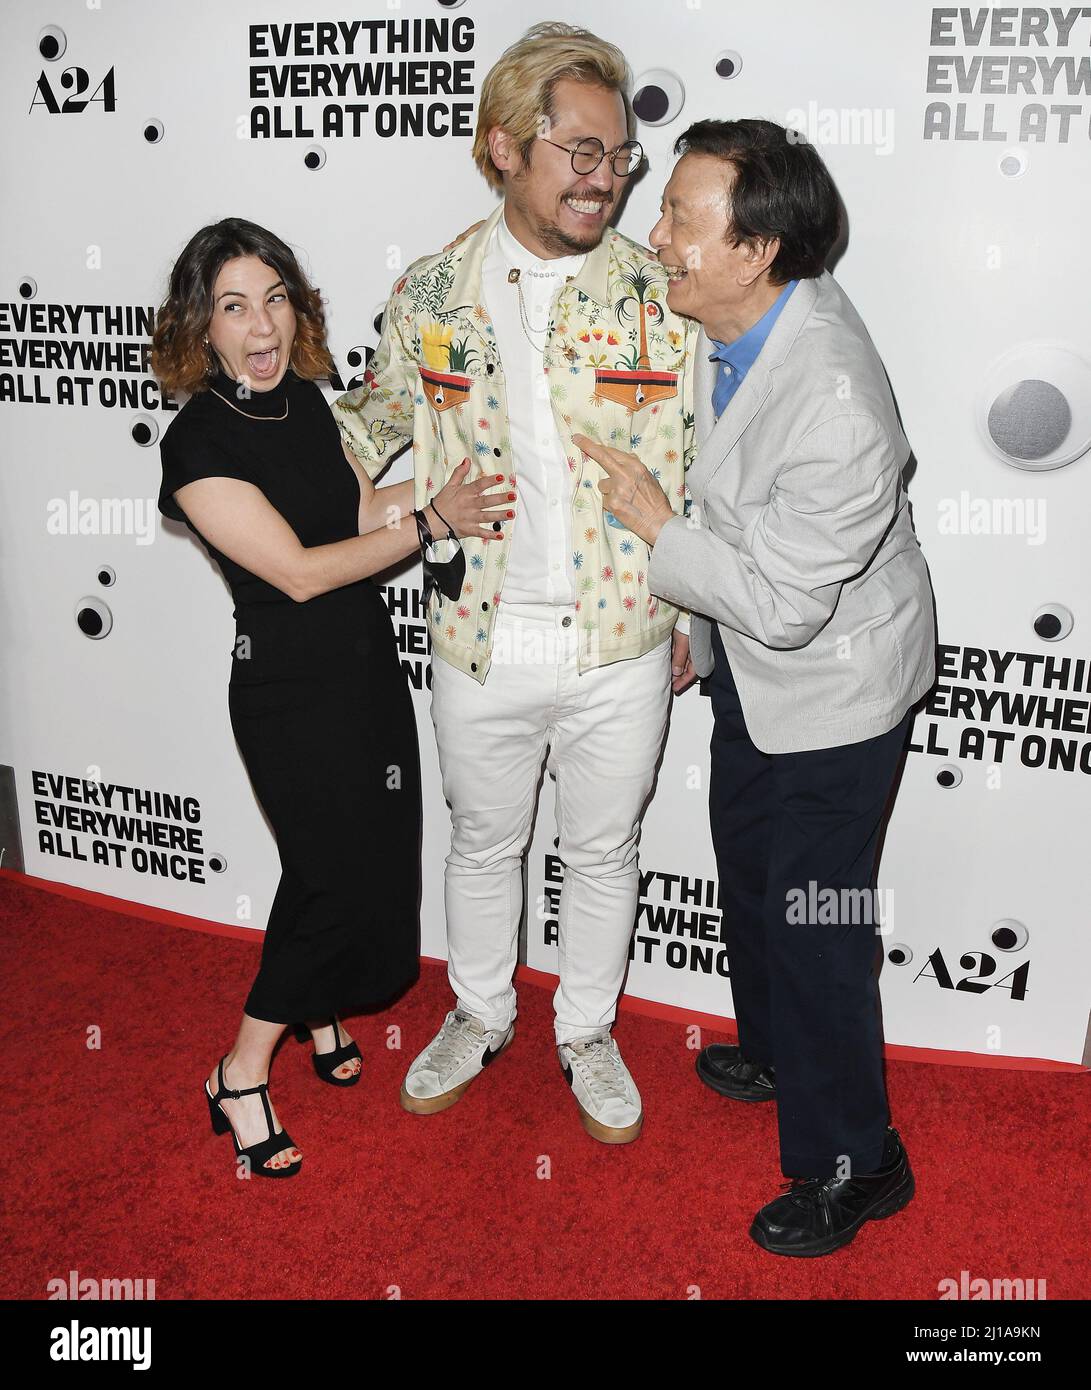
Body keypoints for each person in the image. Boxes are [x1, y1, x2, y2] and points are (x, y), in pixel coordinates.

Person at [331, 23, 698, 1144]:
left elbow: (710, 459)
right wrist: (324, 524)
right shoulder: (434, 289)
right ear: (502, 147)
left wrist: (693, 612)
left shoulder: (657, 293)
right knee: (481, 842)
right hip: (477, 632)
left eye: (617, 156)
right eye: (579, 153)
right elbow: (364, 427)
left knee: (604, 852)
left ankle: (585, 1030)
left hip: (620, 635)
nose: (605, 179)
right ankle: (480, 1010)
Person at [574, 119, 936, 1250]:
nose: (657, 233)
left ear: (756, 247)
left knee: (814, 921)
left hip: (834, 689)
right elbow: (743, 535)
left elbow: (785, 602)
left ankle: (856, 1163)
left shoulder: (833, 403)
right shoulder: (720, 324)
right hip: (750, 663)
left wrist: (653, 530)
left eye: (682, 215)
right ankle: (780, 1049)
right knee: (749, 872)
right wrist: (692, 616)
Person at [152, 217, 512, 1178]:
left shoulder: (306, 399)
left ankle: (318, 1013)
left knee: (358, 862)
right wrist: (433, 520)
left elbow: (358, 513)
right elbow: (304, 573)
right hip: (287, 688)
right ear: (201, 327)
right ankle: (239, 1073)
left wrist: (448, 486)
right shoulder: (194, 447)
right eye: (234, 307)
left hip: (361, 670)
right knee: (326, 878)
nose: (261, 325)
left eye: (274, 298)